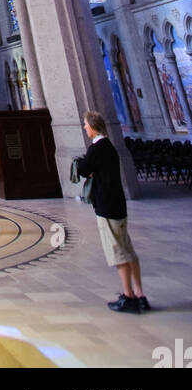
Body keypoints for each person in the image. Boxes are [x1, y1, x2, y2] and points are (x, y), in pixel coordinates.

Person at [78, 110, 148, 313]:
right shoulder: (109, 147)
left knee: (118, 252)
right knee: (128, 250)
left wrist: (85, 166)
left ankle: (128, 296)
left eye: (85, 124)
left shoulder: (97, 149)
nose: (84, 128)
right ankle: (140, 293)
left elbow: (83, 169)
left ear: (93, 126)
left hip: (107, 207)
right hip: (118, 206)